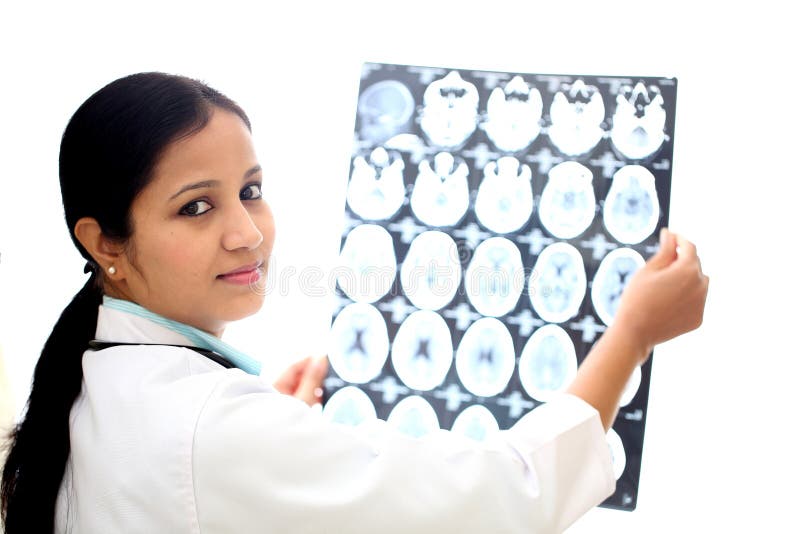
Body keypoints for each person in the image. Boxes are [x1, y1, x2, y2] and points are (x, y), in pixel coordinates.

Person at [0, 72, 708, 534]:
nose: (247, 234)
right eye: (196, 208)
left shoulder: (108, 376)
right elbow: (499, 502)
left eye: (250, 190)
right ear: (105, 243)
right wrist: (633, 337)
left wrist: (259, 439)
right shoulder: (205, 428)